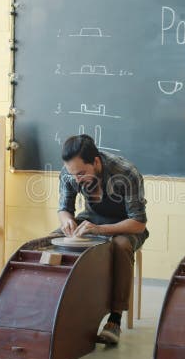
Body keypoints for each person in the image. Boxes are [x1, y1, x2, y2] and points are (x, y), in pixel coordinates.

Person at [49, 134, 148, 344]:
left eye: (82, 173)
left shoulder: (125, 173)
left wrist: (101, 229)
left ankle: (115, 319)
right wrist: (67, 221)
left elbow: (138, 222)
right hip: (91, 218)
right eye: (73, 174)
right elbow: (64, 209)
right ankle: (58, 307)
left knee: (120, 245)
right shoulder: (70, 173)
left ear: (96, 161)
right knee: (51, 240)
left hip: (125, 224)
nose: (77, 179)